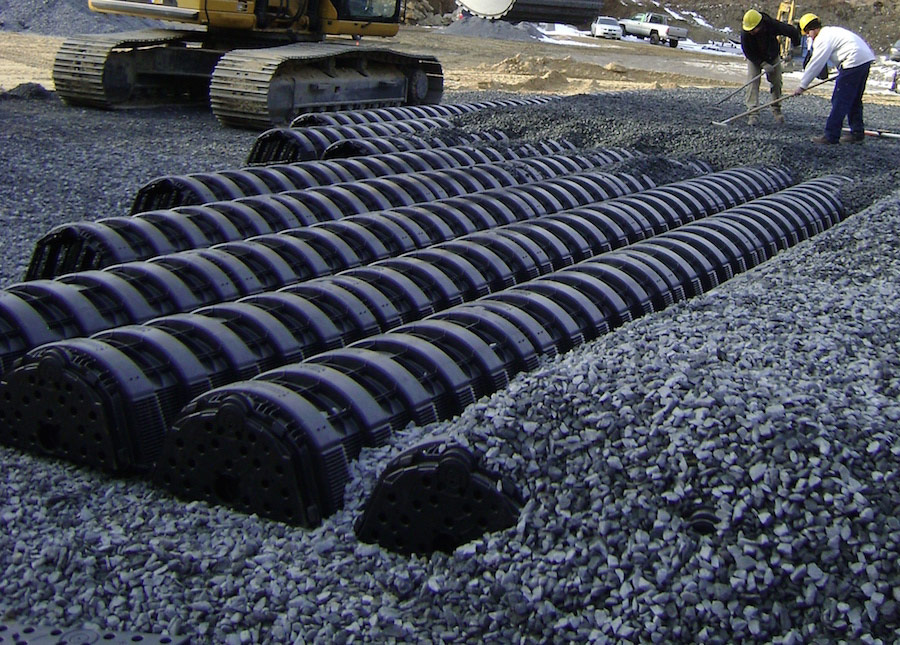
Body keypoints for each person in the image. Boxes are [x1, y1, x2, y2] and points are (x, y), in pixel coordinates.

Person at [792, 13, 876, 144]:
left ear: (812, 29)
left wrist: (802, 86)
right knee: (854, 99)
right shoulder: (831, 32)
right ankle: (857, 133)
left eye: (808, 33)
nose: (808, 36)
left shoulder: (823, 38)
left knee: (839, 100)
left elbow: (816, 63)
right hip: (863, 60)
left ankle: (831, 136)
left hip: (853, 61)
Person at [740, 9, 801, 126]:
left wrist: (795, 47)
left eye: (754, 29)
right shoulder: (746, 33)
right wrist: (762, 64)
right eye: (750, 30)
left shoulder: (771, 24)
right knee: (752, 83)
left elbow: (792, 31)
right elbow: (748, 52)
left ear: (760, 25)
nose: (751, 32)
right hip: (755, 58)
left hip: (772, 55)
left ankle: (776, 110)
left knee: (776, 82)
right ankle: (753, 113)